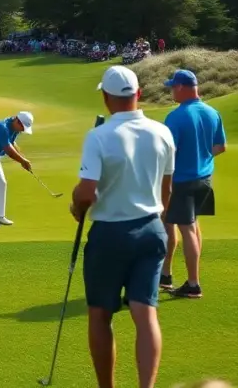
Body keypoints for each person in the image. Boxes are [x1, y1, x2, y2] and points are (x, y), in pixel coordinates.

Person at [71, 65, 175, 388]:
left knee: (101, 314)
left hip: (110, 233)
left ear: (106, 98)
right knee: (146, 315)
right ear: (138, 94)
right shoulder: (162, 132)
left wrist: (76, 205)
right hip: (151, 229)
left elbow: (87, 193)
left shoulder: (99, 136)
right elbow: (166, 191)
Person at [161, 69, 226, 299]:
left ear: (180, 87)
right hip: (204, 179)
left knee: (184, 228)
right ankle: (168, 276)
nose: (171, 91)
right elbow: (220, 147)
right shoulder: (212, 112)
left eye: (172, 87)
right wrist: (200, 156)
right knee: (193, 224)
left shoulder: (176, 117)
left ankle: (193, 283)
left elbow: (168, 153)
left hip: (182, 180)